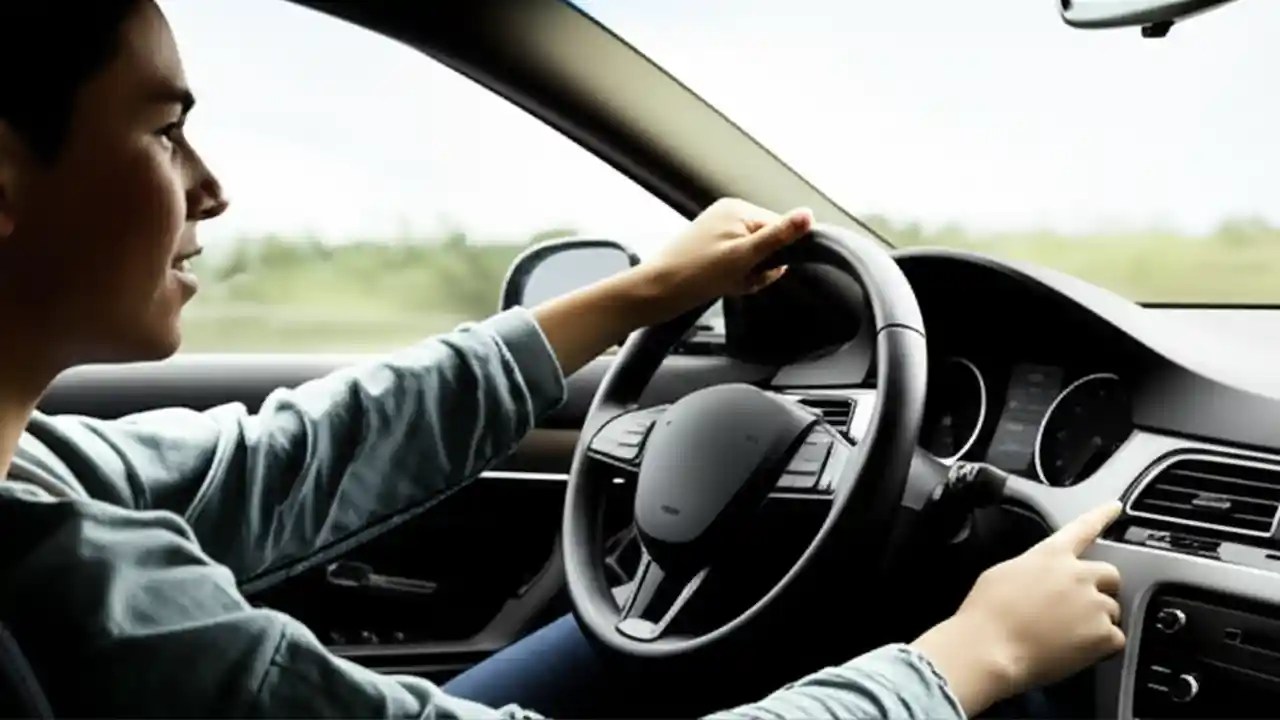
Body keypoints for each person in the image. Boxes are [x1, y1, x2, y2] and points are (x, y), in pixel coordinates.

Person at [0, 1, 1125, 717]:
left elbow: (289, 460)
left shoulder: (33, 474)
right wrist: (962, 662)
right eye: (161, 129)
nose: (210, 187)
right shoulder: (69, 583)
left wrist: (638, 297)